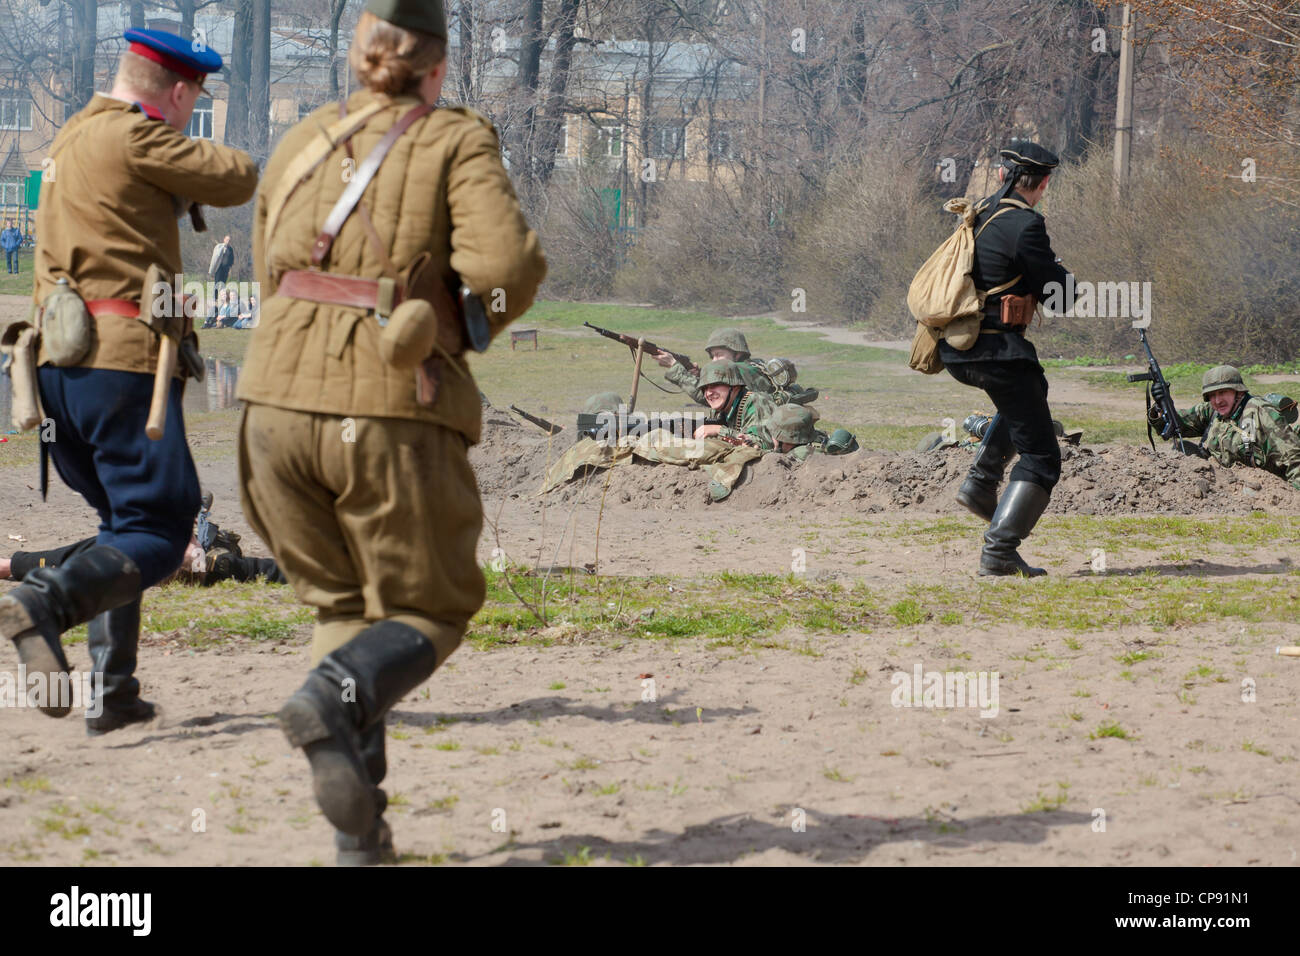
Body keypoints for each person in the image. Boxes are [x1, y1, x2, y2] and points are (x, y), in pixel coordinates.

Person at [237, 0, 546, 866]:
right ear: (438, 68)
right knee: (430, 604)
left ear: (359, 52)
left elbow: (267, 263)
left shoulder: (300, 141)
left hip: (267, 412)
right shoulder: (454, 138)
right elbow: (506, 271)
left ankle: (359, 837)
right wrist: (464, 330)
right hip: (379, 409)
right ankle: (333, 700)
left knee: (344, 609)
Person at [0, 28, 257, 734]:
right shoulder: (133, 136)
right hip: (119, 364)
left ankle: (113, 691)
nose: (191, 115)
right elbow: (237, 175)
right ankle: (46, 601)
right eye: (194, 103)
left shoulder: (68, 141)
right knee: (163, 527)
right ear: (177, 92)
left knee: (123, 526)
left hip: (54, 373)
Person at [938, 142, 1076, 577]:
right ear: (1045, 183)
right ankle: (998, 553)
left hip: (959, 348)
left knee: (1031, 392)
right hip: (997, 350)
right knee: (1041, 458)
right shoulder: (1024, 225)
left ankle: (981, 484)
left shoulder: (978, 214)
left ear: (1001, 176)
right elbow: (1062, 296)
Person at [1153, 366, 1300, 488]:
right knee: (1181, 448)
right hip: (1220, 485)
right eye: (1212, 395)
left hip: (1259, 488)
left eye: (1223, 392)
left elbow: (1294, 457)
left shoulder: (1260, 412)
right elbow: (1175, 426)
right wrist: (1161, 406)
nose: (1217, 400)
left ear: (1238, 392)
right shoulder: (1211, 411)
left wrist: (1292, 497)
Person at [693, 359, 777, 449]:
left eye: (714, 385)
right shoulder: (718, 410)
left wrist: (718, 430)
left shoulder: (755, 402)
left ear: (734, 386)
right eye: (704, 389)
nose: (708, 393)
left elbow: (763, 444)